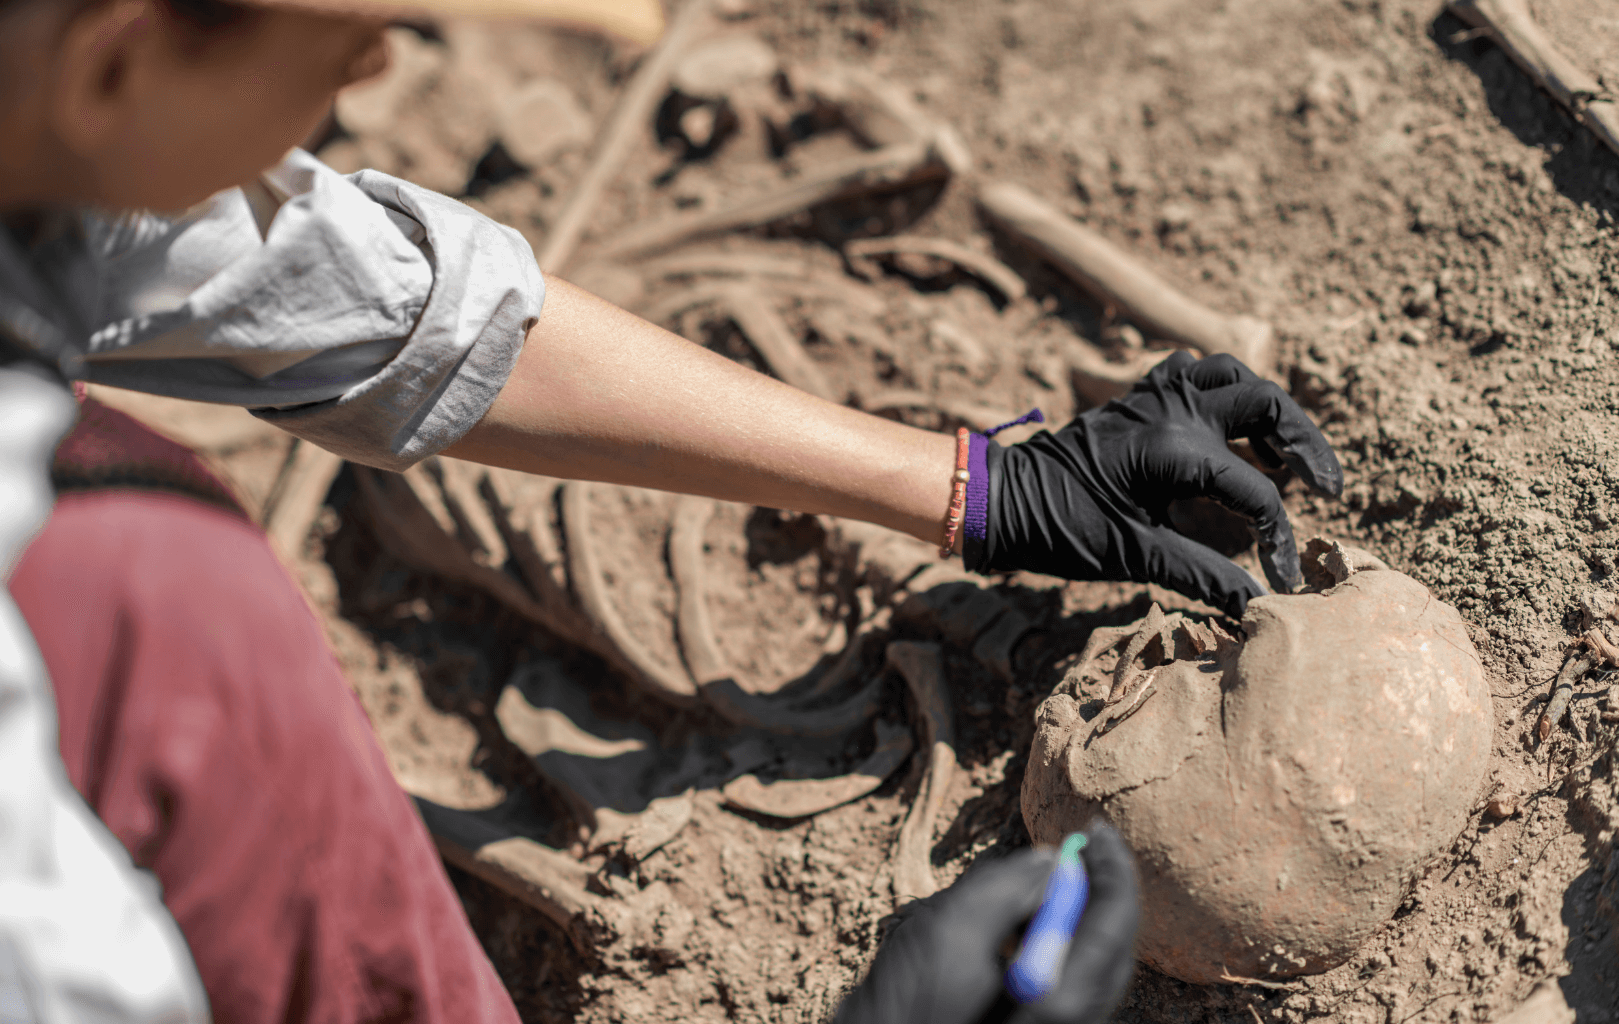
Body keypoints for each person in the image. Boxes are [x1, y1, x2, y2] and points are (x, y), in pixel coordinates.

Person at [0, 0, 1342, 1019]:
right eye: (355, 34)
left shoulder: (44, 152)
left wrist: (983, 488)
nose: (373, 78)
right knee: (162, 604)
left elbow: (371, 307)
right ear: (112, 67)